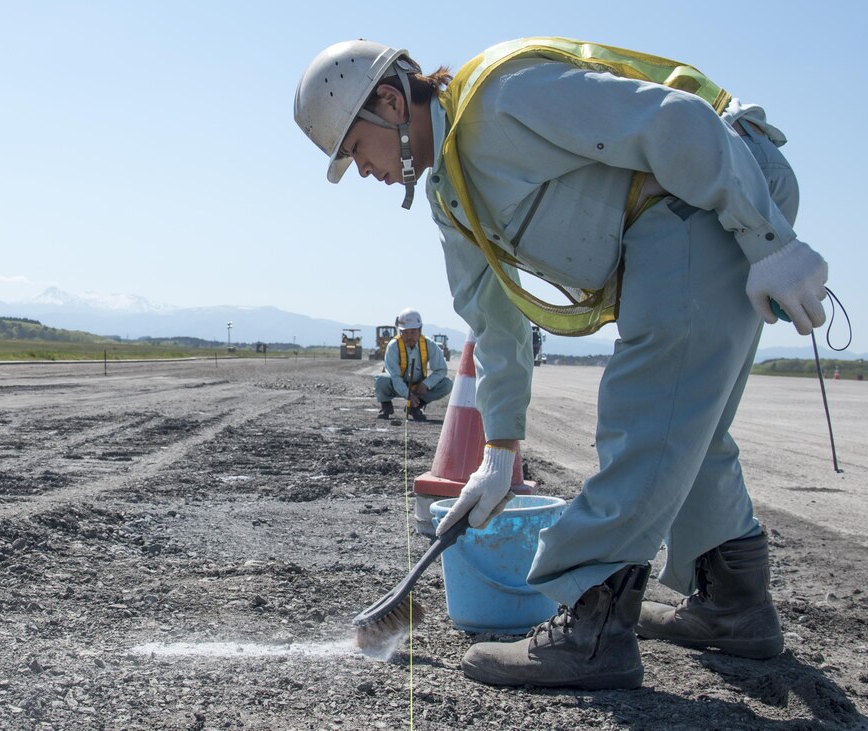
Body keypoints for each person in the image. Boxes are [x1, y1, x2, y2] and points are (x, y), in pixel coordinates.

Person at [295, 37, 829, 689]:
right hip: (684, 212)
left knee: (649, 411)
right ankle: (734, 602)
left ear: (389, 102)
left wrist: (769, 239)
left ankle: (592, 629)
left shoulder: (502, 98)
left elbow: (676, 121)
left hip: (715, 186)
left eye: (355, 149)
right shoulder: (451, 194)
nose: (363, 171)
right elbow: (495, 325)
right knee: (689, 422)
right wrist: (498, 453)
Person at [374, 308, 453, 421]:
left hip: (419, 387)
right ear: (400, 332)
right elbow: (395, 377)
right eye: (405, 332)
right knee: (382, 379)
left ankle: (415, 406)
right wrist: (408, 395)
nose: (409, 336)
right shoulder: (393, 346)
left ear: (420, 330)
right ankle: (386, 406)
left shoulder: (429, 345)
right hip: (396, 385)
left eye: (413, 332)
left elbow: (441, 370)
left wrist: (426, 384)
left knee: (446, 384)